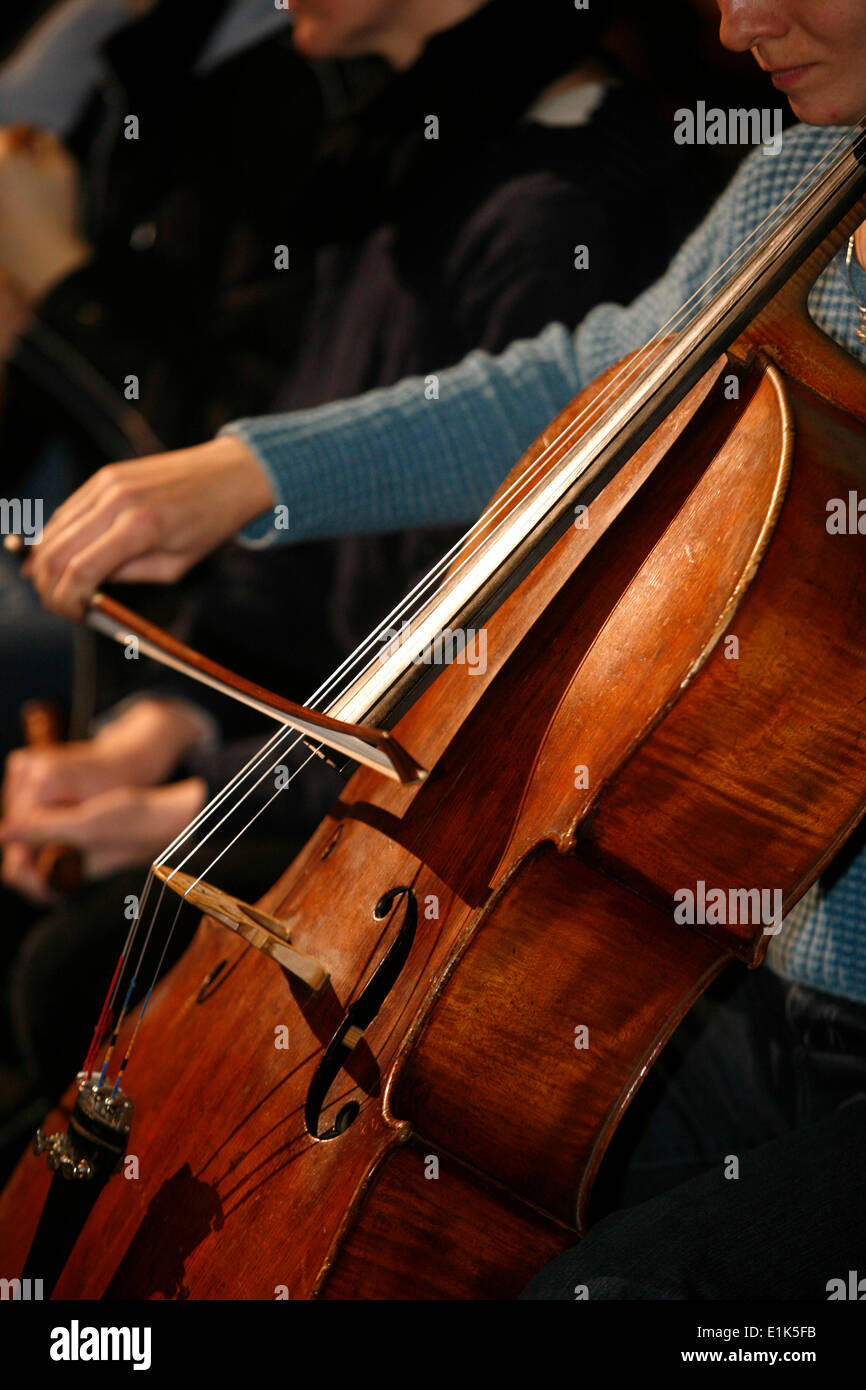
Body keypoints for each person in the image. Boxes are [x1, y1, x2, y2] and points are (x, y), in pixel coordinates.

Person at [15, 0, 866, 1296]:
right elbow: (604, 378)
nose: (738, 20)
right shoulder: (819, 165)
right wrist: (252, 468)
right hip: (766, 990)